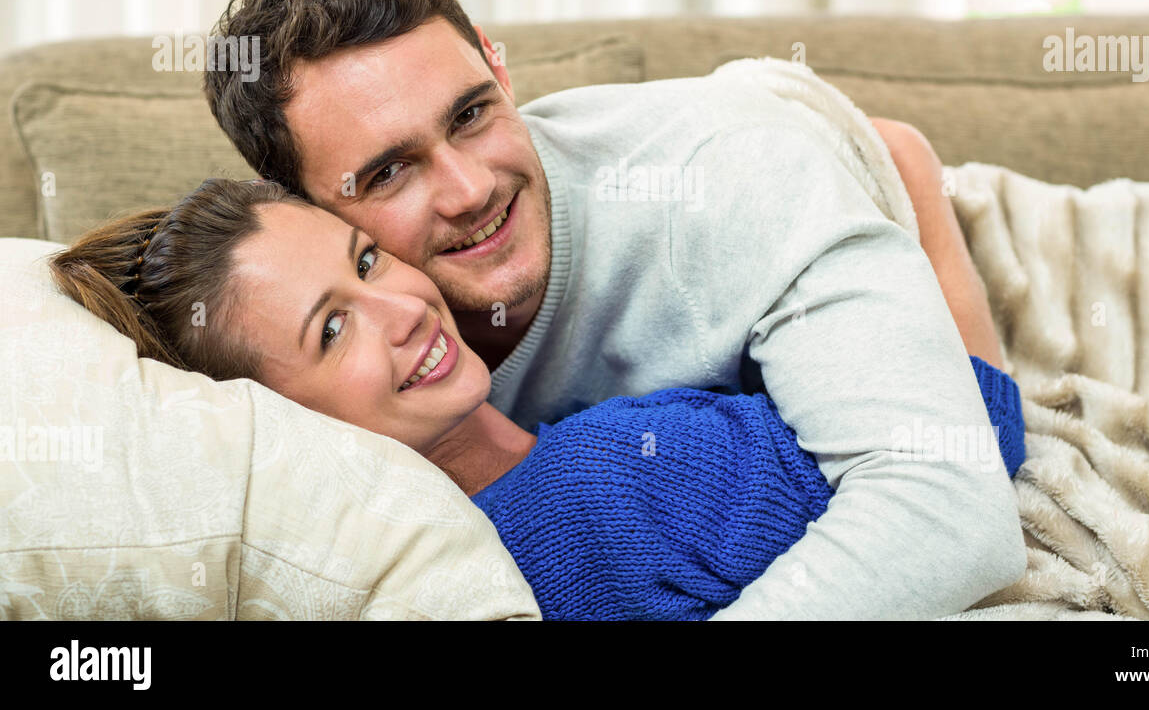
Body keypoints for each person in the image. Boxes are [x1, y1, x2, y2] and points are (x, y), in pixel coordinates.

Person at [201, 0, 1026, 619]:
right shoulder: (301, 341)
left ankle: (905, 164)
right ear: (308, 211)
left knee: (991, 428)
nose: (468, 190)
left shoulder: (737, 187)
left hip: (802, 155)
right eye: (389, 173)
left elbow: (952, 510)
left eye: (470, 113)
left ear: (498, 64)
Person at [48, 178, 1024, 620]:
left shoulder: (518, 509)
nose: (401, 307)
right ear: (280, 420)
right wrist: (916, 190)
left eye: (367, 257)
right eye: (332, 327)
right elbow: (975, 432)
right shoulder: (593, 488)